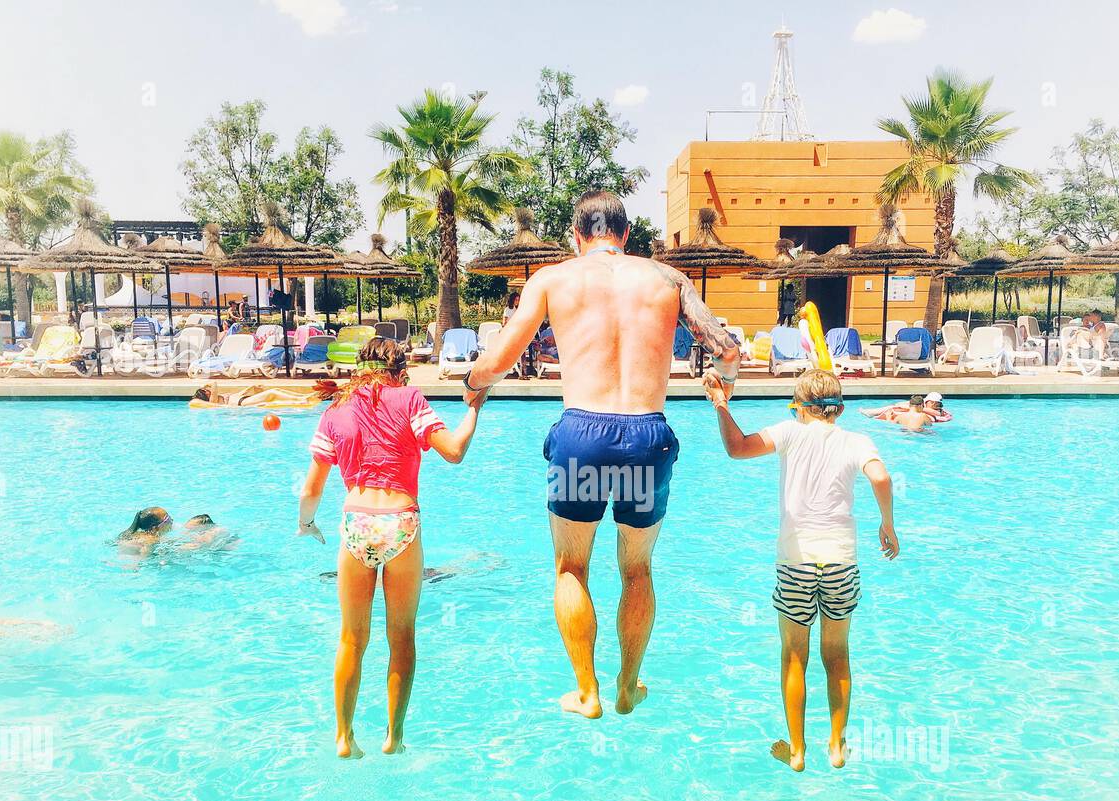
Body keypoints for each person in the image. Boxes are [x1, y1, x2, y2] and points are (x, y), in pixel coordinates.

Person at [459, 188, 742, 719]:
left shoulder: (553, 278)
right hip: (645, 438)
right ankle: (628, 686)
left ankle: (585, 693)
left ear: (577, 234)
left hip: (583, 437)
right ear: (627, 236)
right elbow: (726, 348)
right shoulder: (666, 279)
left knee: (571, 568)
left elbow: (497, 360)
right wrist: (722, 380)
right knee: (637, 569)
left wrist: (472, 385)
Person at [297, 337, 485, 758]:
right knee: (401, 636)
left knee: (351, 639)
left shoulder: (335, 411)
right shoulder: (409, 399)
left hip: (356, 522)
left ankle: (344, 738)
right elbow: (453, 452)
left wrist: (307, 523)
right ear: (400, 371)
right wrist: (474, 409)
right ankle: (394, 737)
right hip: (401, 522)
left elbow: (311, 489)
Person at [706, 368, 898, 771]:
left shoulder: (789, 433)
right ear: (840, 409)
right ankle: (837, 746)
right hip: (842, 559)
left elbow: (737, 448)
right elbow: (880, 477)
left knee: (795, 656)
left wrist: (721, 404)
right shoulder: (856, 440)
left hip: (796, 560)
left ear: (798, 406)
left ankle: (796, 751)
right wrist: (887, 524)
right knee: (837, 654)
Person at [191, 379, 336, 408]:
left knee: (275, 391)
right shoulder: (212, 400)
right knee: (273, 392)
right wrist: (208, 384)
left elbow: (237, 394)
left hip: (244, 398)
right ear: (205, 392)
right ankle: (304, 399)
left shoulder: (219, 397)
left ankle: (304, 398)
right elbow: (215, 384)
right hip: (244, 404)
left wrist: (250, 387)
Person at [862, 391, 952, 425]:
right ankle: (871, 412)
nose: (939, 407)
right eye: (938, 405)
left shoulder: (936, 412)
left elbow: (891, 423)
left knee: (893, 407)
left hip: (905, 431)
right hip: (920, 433)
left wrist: (910, 406)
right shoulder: (924, 416)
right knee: (893, 407)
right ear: (931, 402)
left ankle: (871, 413)